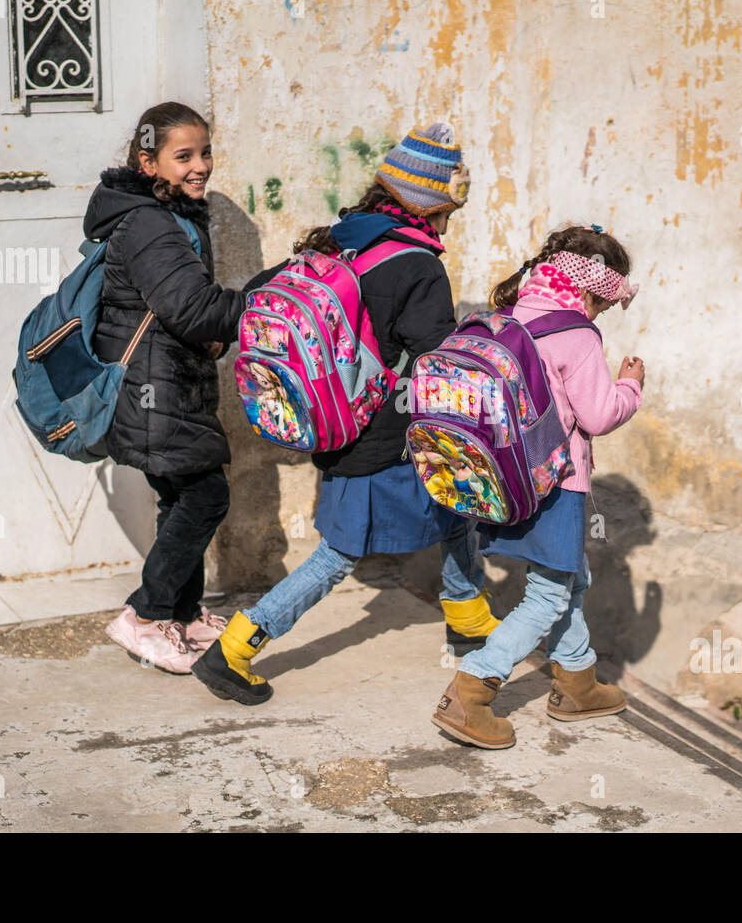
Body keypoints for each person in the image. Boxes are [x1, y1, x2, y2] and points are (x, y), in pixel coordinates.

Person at [192, 123, 500, 704]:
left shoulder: (342, 236)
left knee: (458, 508)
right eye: (449, 212)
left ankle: (469, 617)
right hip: (380, 434)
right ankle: (236, 646)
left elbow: (263, 293)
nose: (449, 224)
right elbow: (435, 355)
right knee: (338, 554)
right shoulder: (418, 266)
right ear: (431, 205)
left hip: (337, 420)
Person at [431, 225, 645, 749]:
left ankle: (577, 683)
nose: (600, 314)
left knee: (569, 577)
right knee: (549, 594)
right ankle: (471, 691)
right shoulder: (576, 332)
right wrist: (630, 385)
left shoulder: (509, 317)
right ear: (591, 289)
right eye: (604, 302)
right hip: (558, 482)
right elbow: (596, 416)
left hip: (505, 480)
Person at [87, 102, 244, 674]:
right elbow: (192, 307)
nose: (199, 166)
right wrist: (268, 303)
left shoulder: (170, 212)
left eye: (204, 153)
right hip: (156, 389)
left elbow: (183, 314)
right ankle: (146, 616)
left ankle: (182, 610)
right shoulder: (150, 222)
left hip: (167, 382)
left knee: (180, 497)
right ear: (147, 161)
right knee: (207, 496)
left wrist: (214, 339)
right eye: (184, 156)